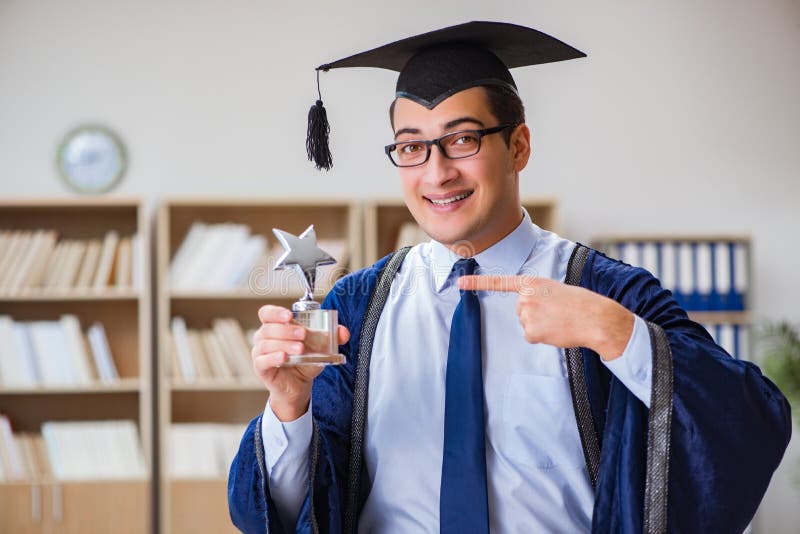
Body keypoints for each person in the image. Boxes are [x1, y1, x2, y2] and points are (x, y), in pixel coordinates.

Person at [228, 21, 791, 534]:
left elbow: (747, 424)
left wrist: (619, 335)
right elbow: (289, 513)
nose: (437, 171)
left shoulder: (606, 291)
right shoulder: (359, 306)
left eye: (463, 140)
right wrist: (288, 410)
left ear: (518, 146)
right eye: (411, 147)